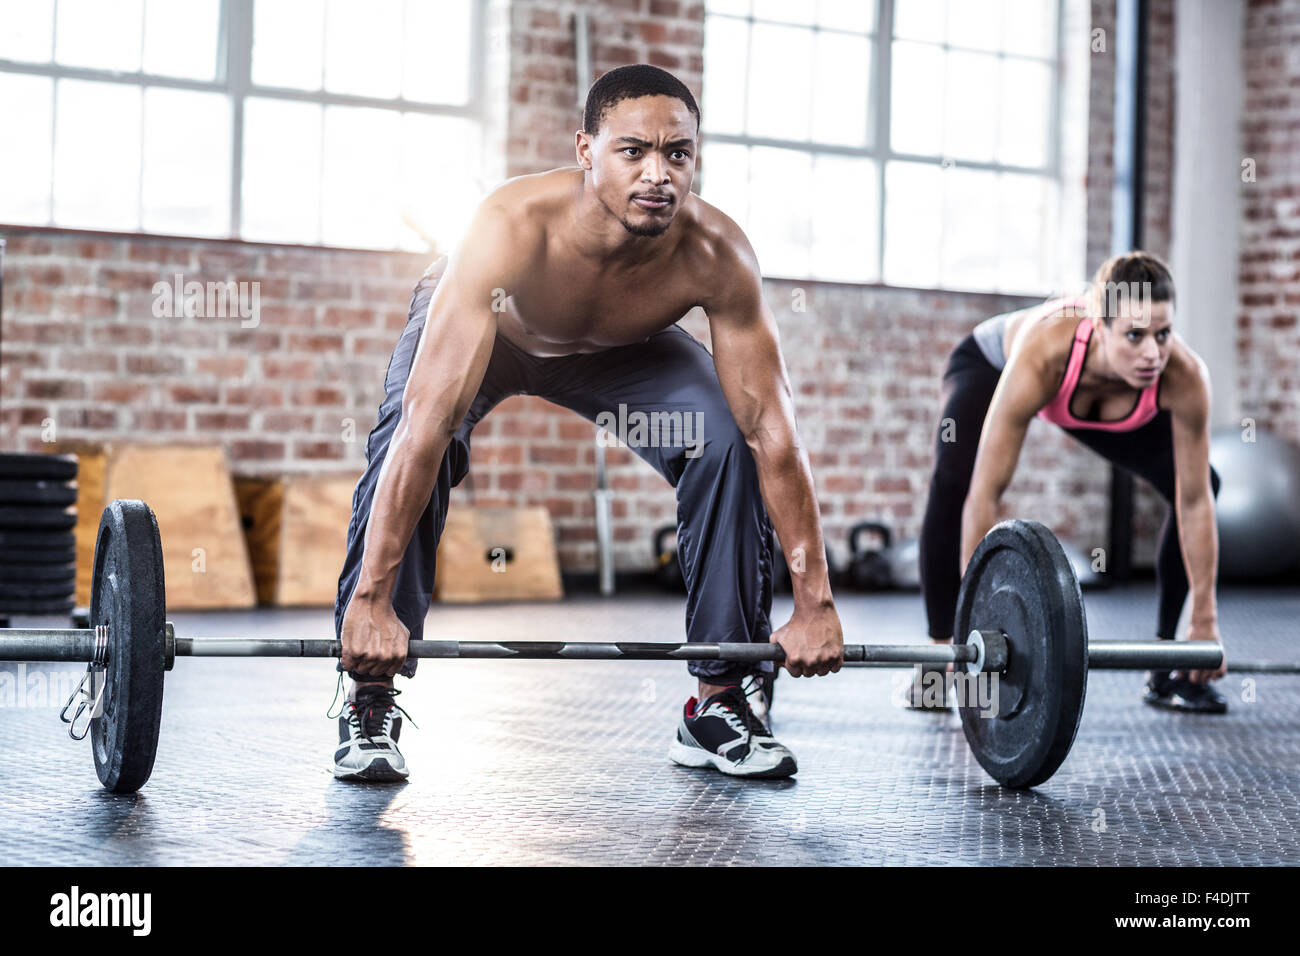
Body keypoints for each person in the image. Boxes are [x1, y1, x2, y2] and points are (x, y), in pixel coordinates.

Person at [330, 65, 843, 783]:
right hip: (497, 335)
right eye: (633, 151)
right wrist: (371, 601)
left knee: (723, 438)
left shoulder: (717, 255)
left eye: (678, 154)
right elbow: (425, 422)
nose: (658, 174)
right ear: (585, 152)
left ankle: (720, 700)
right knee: (418, 441)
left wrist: (815, 601)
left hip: (616, 355)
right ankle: (371, 693)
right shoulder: (509, 227)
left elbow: (773, 435)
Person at [916, 252, 1228, 714]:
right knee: (956, 479)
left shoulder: (1182, 376)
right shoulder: (1044, 354)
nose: (1152, 353)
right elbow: (986, 493)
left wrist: (1205, 617)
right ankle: (940, 661)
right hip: (993, 361)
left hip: (1097, 394)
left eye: (1163, 334)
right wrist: (975, 628)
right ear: (1098, 327)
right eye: (1135, 335)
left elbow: (1195, 500)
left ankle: (1171, 665)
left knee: (1205, 481)